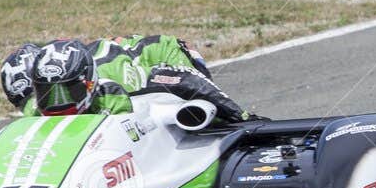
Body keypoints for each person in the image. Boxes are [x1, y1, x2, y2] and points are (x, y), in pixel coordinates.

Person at [14, 37, 253, 121]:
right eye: (47, 92)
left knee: (189, 97)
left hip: (157, 53)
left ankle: (240, 118)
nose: (58, 101)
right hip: (101, 57)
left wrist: (237, 117)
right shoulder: (33, 109)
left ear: (89, 84)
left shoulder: (113, 95)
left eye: (69, 90)